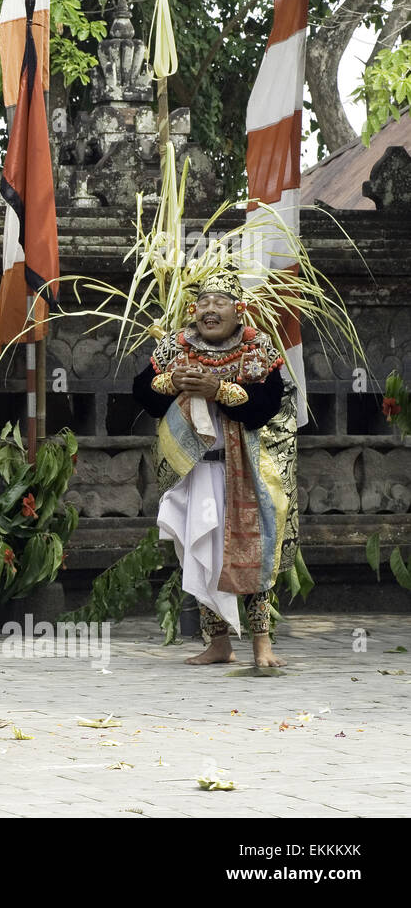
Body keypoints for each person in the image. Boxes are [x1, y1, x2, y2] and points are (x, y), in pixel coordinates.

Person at [132, 271, 292, 668]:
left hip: (245, 469)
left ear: (239, 312)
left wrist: (218, 391)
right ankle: (217, 642)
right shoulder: (178, 344)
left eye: (220, 303)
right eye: (203, 303)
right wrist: (171, 382)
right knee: (200, 552)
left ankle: (261, 644)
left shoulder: (258, 348)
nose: (209, 310)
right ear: (193, 310)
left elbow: (266, 405)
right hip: (197, 468)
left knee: (249, 552)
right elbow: (142, 393)